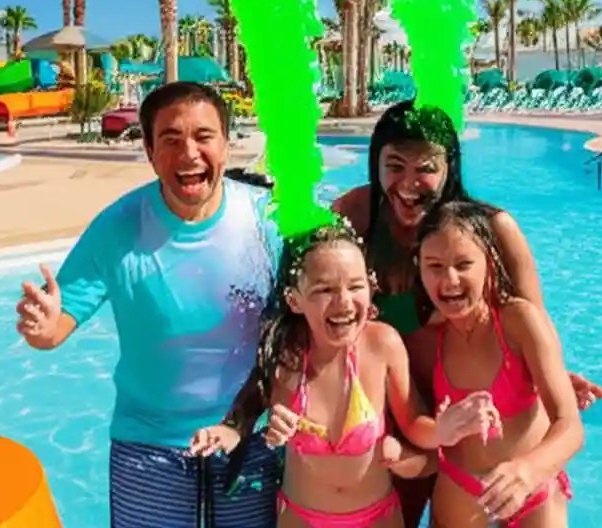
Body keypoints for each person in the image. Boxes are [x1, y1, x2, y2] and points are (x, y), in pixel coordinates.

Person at [16, 81, 283, 526]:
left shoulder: (265, 220)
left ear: (227, 143)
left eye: (203, 137)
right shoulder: (118, 228)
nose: (189, 153)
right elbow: (57, 325)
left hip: (249, 439)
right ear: (149, 150)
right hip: (148, 449)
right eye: (171, 140)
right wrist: (42, 329)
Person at [330, 100, 602, 526]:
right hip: (392, 420)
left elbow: (531, 328)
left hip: (469, 422)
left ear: (450, 167)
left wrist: (542, 375)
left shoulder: (494, 231)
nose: (408, 183)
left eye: (426, 167)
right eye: (395, 165)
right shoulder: (355, 216)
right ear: (376, 163)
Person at [190, 223, 499, 528]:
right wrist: (231, 431)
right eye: (324, 289)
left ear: (371, 288)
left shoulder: (382, 346)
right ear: (294, 299)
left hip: (376, 518)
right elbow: (249, 408)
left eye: (355, 286)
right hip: (301, 519)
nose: (344, 302)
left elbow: (415, 425)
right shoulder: (284, 356)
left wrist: (442, 430)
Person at [415, 200, 583, 526]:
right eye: (434, 266)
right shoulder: (424, 344)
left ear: (489, 262)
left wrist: (529, 470)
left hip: (534, 490)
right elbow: (413, 427)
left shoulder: (519, 323)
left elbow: (570, 426)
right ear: (418, 267)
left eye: (463, 264)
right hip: (460, 496)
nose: (449, 280)